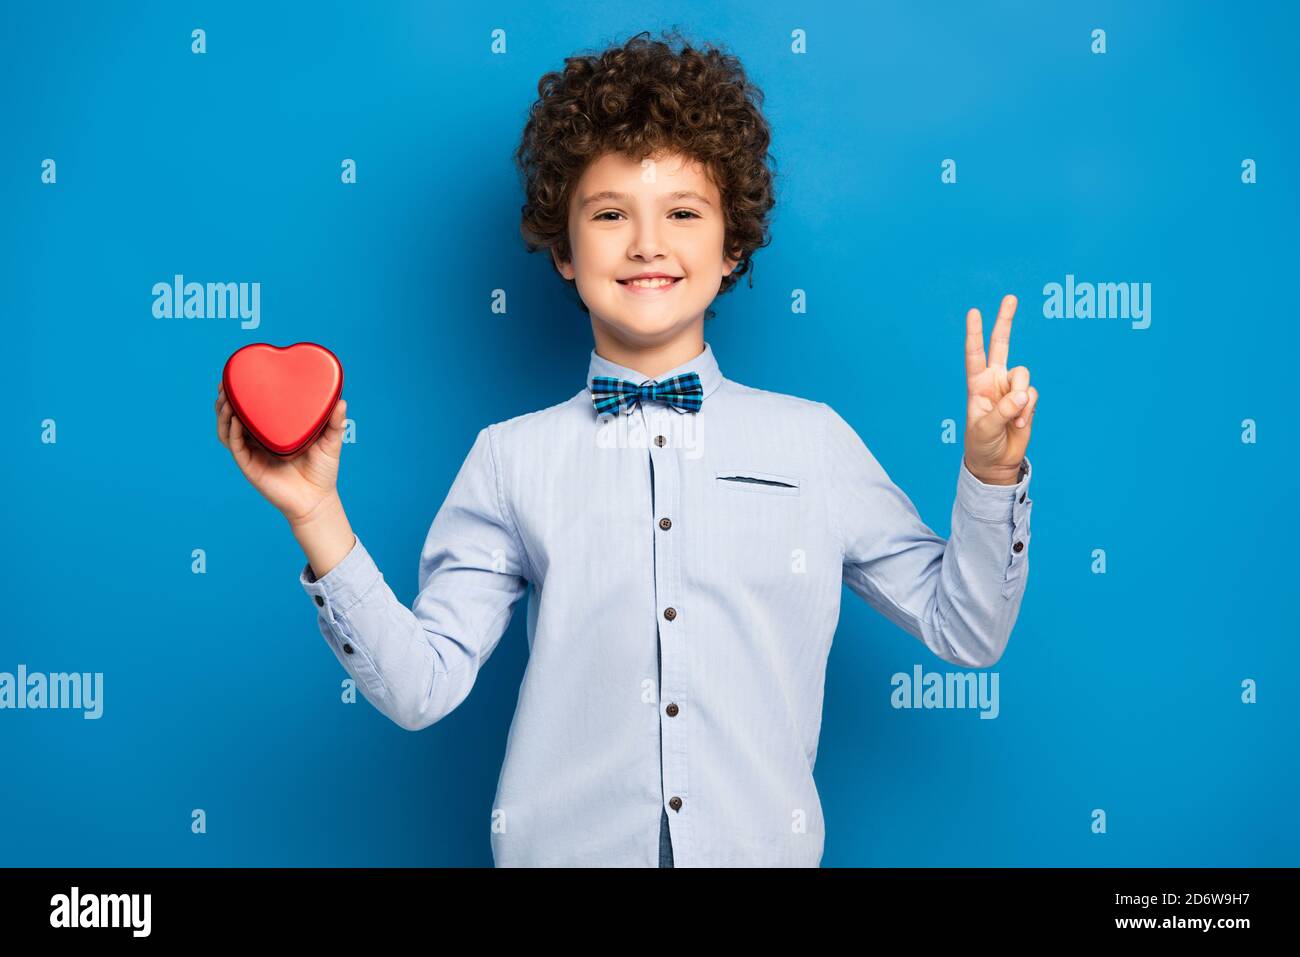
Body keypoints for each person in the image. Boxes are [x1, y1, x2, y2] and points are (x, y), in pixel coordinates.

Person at [214, 29, 1037, 867]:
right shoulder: (509, 459)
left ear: (733, 246)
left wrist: (990, 472)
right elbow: (422, 686)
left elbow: (965, 630)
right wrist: (317, 513)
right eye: (611, 214)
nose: (648, 243)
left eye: (683, 213)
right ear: (566, 251)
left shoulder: (813, 442)